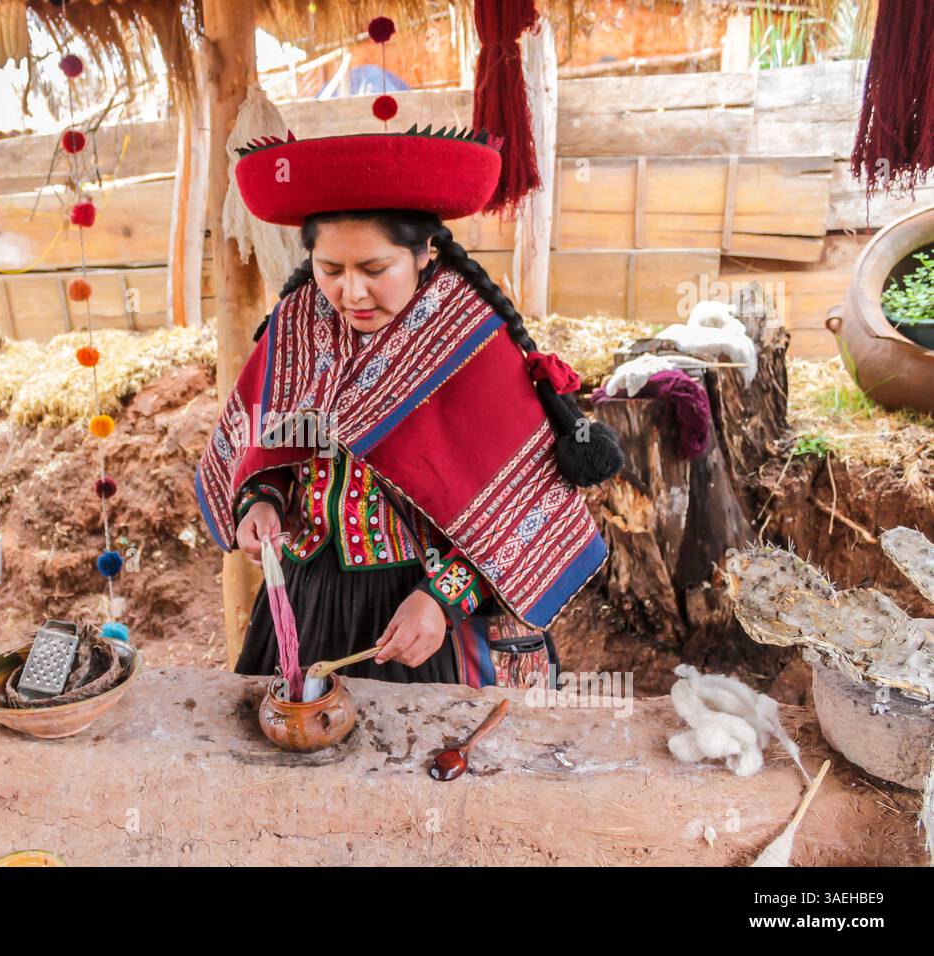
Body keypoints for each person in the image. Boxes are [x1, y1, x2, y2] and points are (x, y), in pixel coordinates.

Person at [195, 127, 622, 688]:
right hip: (306, 598)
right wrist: (262, 499)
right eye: (330, 270)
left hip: (420, 613)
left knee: (425, 760)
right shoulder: (300, 323)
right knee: (296, 751)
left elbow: (517, 504)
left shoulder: (467, 342)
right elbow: (275, 441)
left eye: (375, 270)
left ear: (424, 253)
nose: (351, 293)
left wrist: (443, 600)